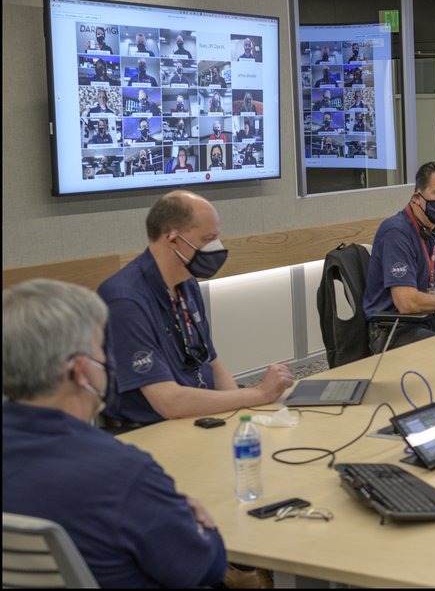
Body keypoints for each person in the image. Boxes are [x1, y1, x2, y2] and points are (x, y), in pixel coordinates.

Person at [2, 279, 229, 588]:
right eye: (101, 351)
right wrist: (203, 522)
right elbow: (209, 568)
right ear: (80, 371)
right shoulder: (124, 473)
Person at [96, 191, 293, 425]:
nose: (215, 248)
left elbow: (211, 361)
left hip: (197, 417)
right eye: (207, 239)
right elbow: (168, 402)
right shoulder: (124, 300)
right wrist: (259, 394)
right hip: (150, 430)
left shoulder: (186, 283)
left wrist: (243, 418)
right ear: (173, 239)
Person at [362, 161, 435, 350]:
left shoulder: (433, 228)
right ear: (417, 197)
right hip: (392, 329)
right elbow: (406, 303)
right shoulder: (396, 232)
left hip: (423, 320)